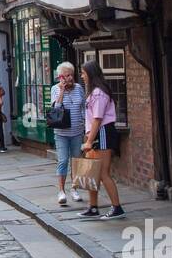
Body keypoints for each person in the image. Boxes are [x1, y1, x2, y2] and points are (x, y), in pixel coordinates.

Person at [78, 61, 125, 220]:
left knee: (103, 173)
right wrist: (88, 138)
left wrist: (89, 141)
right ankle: (93, 207)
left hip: (103, 132)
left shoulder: (98, 93)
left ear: (91, 74)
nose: (82, 76)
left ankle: (117, 208)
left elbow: (98, 119)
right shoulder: (93, 92)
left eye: (83, 73)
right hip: (96, 133)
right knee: (92, 172)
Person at [50, 63, 88, 207]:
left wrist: (86, 127)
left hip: (77, 131)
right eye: (66, 75)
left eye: (71, 74)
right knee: (63, 161)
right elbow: (56, 108)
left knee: (76, 161)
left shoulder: (79, 88)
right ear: (60, 77)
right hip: (61, 133)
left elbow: (83, 107)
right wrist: (62, 91)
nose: (69, 78)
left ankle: (74, 189)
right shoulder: (55, 89)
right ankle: (61, 191)